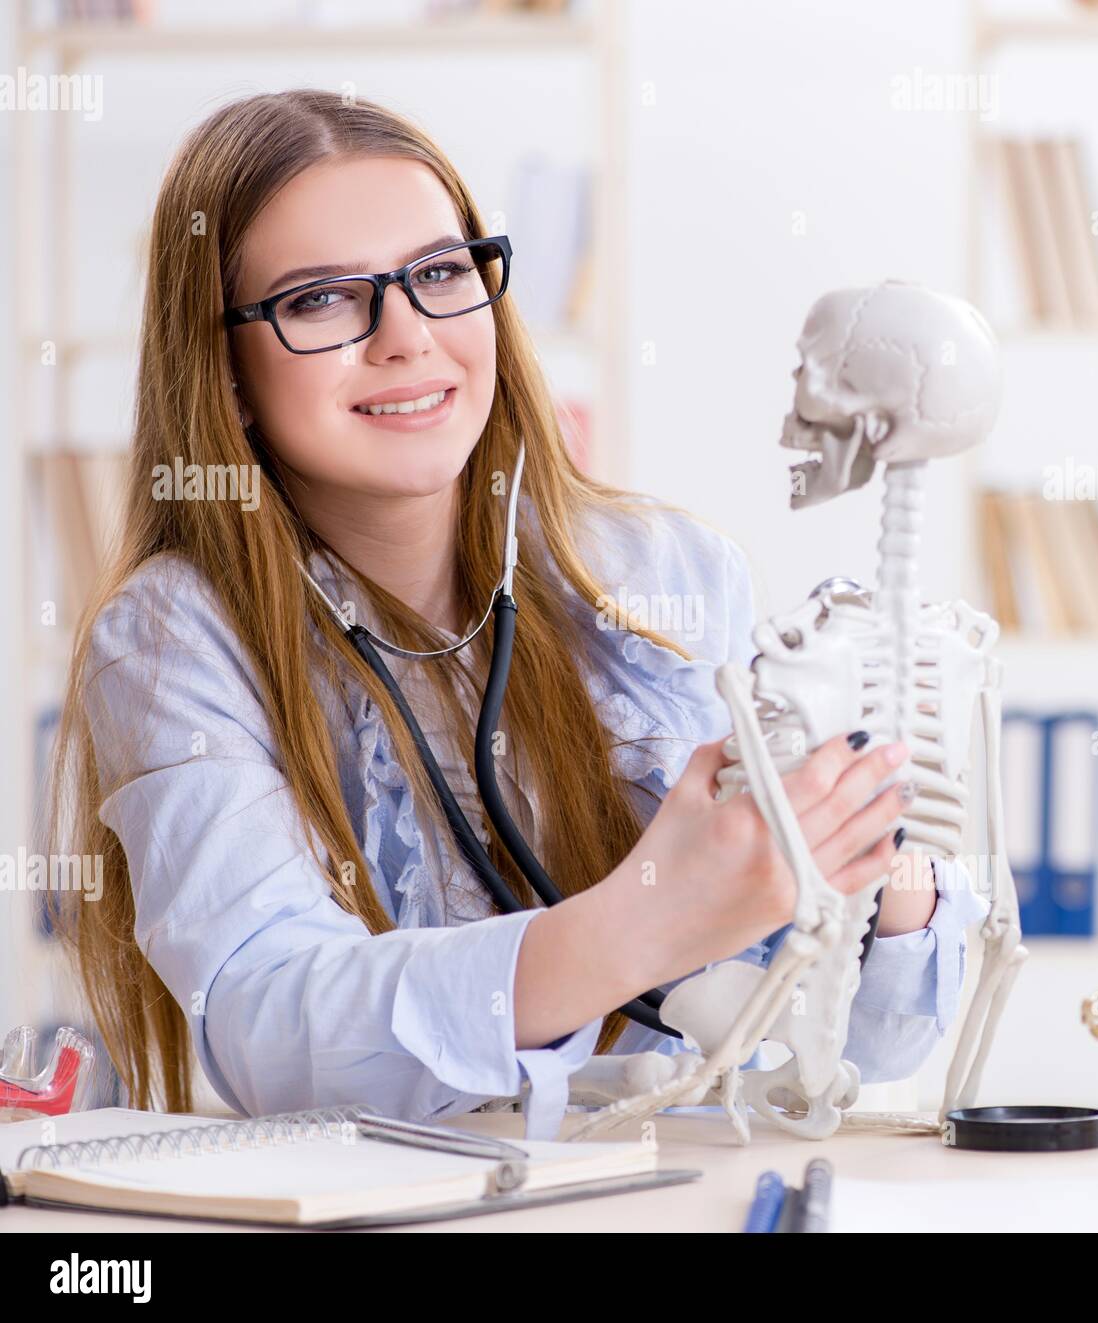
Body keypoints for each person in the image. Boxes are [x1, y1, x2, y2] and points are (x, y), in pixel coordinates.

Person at [48, 89, 986, 1139]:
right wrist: (642, 919)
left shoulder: (665, 569)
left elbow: (876, 1040)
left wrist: (874, 846)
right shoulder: (173, 639)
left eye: (439, 274)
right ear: (223, 374)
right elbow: (278, 1032)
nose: (405, 337)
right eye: (319, 300)